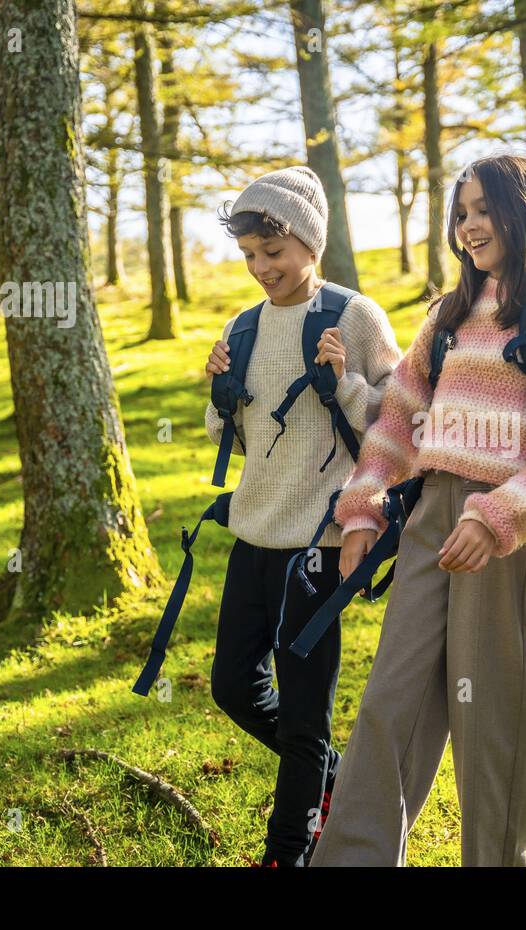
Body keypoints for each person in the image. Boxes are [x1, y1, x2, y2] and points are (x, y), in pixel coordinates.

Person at [309, 153, 526, 866]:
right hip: (429, 521)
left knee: (488, 715)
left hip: (505, 531)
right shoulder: (446, 315)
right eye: (461, 213)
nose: (469, 226)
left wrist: (495, 518)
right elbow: (397, 420)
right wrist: (362, 511)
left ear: (525, 213)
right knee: (391, 699)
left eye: (483, 210)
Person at [203, 165, 401, 867]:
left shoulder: (355, 316)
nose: (262, 268)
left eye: (273, 251)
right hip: (253, 535)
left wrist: (344, 383)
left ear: (310, 244)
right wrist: (220, 391)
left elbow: (399, 421)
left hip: (317, 546)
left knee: (305, 715)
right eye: (249, 255)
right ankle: (336, 776)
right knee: (232, 686)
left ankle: (287, 853)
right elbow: (232, 436)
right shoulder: (243, 326)